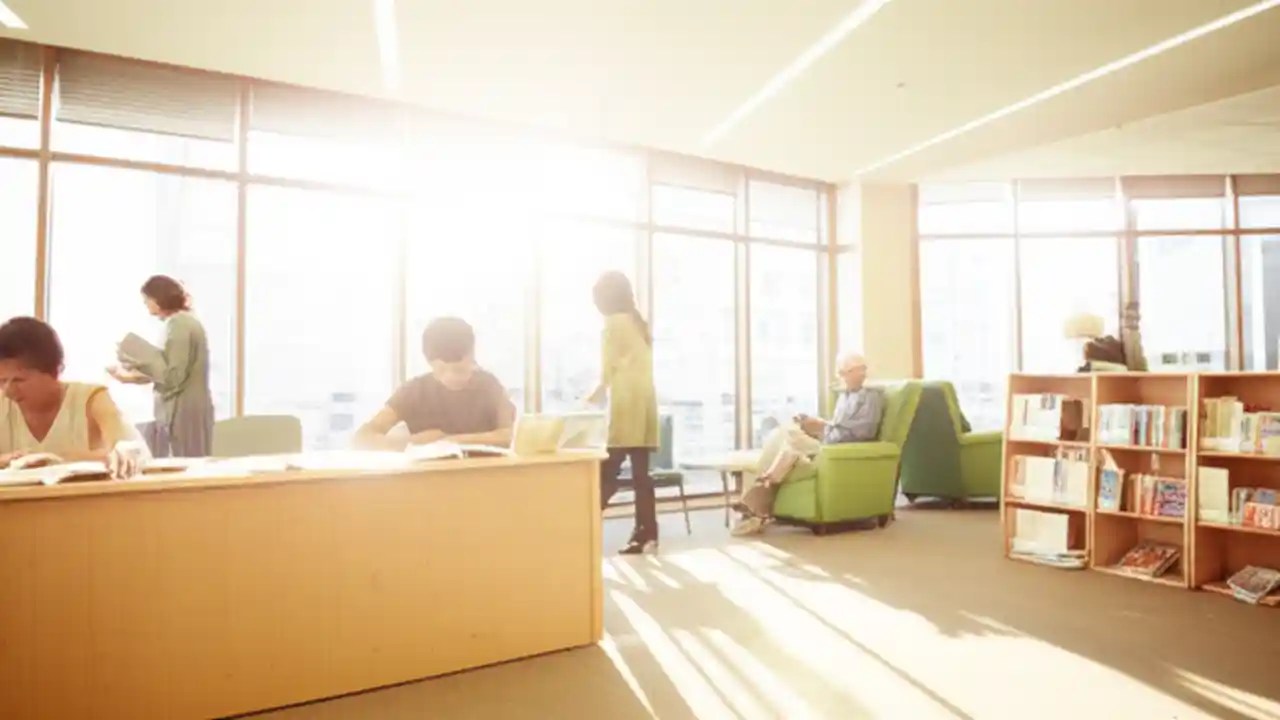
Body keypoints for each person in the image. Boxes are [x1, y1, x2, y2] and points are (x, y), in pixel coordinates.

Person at [732, 352, 884, 536]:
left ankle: (758, 492)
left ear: (860, 371)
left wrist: (823, 427)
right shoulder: (843, 397)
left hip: (839, 448)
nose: (843, 377)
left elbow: (863, 431)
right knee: (789, 444)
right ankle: (764, 488)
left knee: (787, 433)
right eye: (842, 373)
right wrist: (818, 425)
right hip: (827, 440)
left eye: (848, 372)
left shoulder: (871, 397)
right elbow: (837, 425)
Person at [0, 317, 147, 478]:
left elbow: (122, 450)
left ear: (56, 371)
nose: (8, 390)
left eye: (19, 380)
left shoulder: (92, 398)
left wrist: (52, 460)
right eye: (2, 381)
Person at [354, 317, 515, 449]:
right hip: (426, 481)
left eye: (460, 370)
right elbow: (362, 438)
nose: (451, 377)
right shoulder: (414, 391)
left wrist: (447, 441)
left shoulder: (489, 385)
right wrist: (413, 442)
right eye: (441, 370)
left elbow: (509, 435)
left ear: (472, 355)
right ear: (429, 362)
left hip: (484, 477)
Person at [585, 271, 660, 555]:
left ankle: (583, 523)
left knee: (607, 471)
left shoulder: (613, 325)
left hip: (626, 404)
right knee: (641, 475)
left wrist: (589, 400)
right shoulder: (639, 324)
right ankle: (647, 533)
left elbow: (607, 371)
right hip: (645, 403)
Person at [108, 275, 214, 458]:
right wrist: (130, 377)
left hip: (184, 411)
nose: (146, 305)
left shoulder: (179, 324)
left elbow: (173, 376)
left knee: (186, 467)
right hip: (187, 409)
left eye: (146, 300)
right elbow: (169, 369)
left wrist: (134, 352)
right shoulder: (182, 322)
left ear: (157, 299)